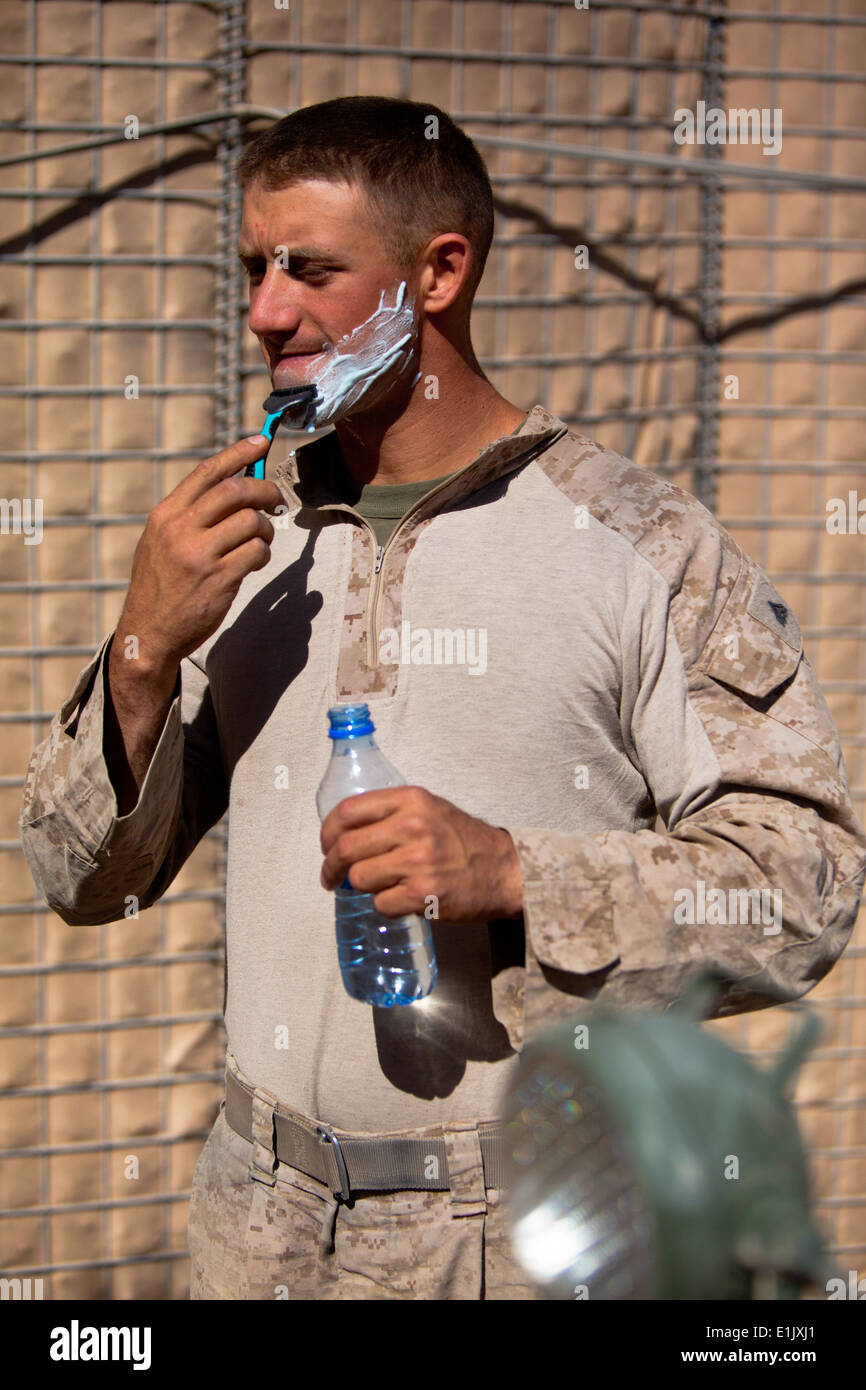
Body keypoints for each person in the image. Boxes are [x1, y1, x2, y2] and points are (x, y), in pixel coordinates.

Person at [19, 96, 866, 1301]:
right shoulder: (239, 538)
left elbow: (802, 887)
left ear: (438, 272)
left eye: (309, 268)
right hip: (252, 1227)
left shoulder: (641, 543)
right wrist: (143, 649)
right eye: (254, 266)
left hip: (517, 1236)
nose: (264, 309)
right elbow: (77, 881)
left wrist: (515, 872)